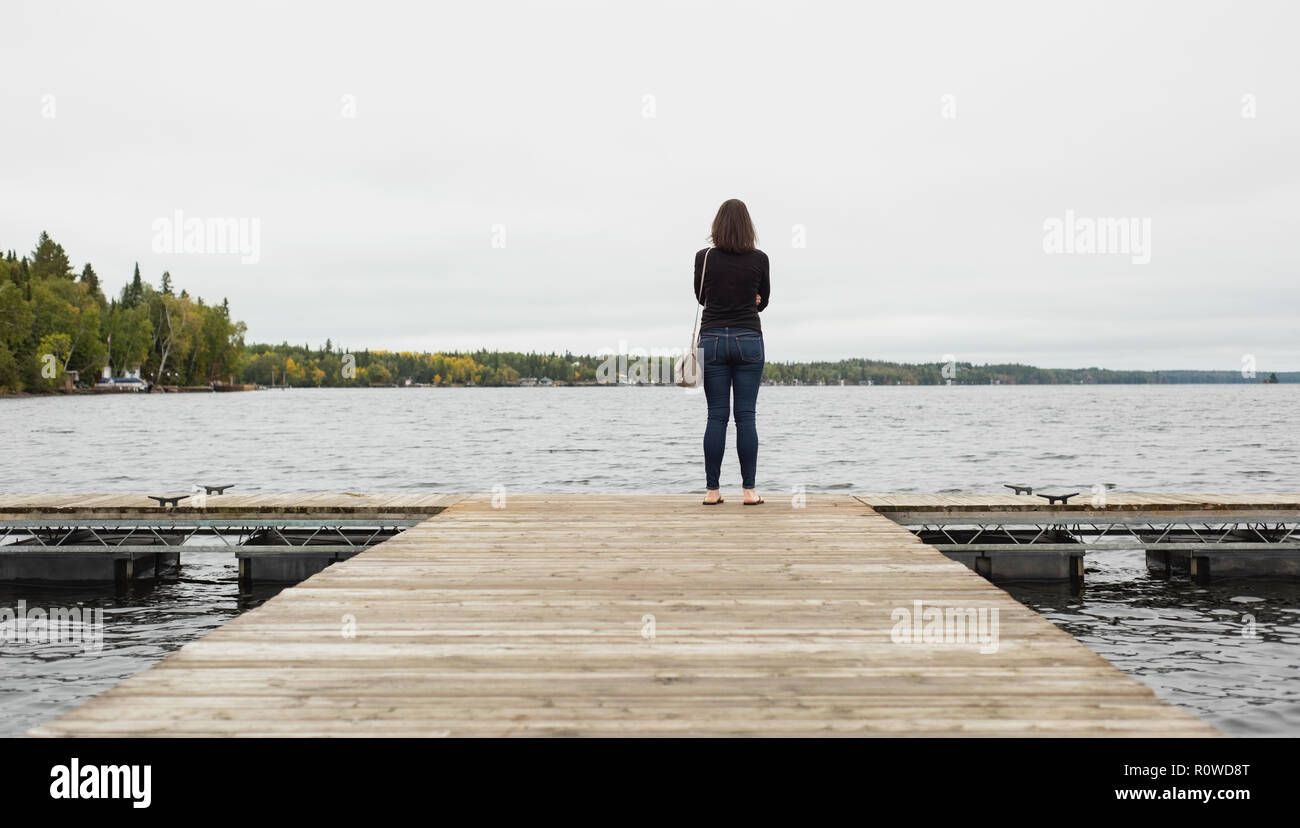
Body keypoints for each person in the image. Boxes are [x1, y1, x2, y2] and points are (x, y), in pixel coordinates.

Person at [694, 199, 770, 506]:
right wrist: (749, 298)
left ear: (717, 225)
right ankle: (749, 492)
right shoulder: (760, 258)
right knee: (746, 417)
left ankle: (712, 492)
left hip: (712, 338)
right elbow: (763, 301)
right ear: (748, 226)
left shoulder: (704, 257)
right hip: (748, 338)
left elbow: (701, 297)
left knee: (716, 417)